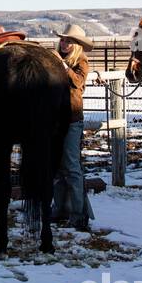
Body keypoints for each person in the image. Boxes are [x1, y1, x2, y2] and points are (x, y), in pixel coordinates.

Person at [53, 23, 95, 231]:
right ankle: (60, 208)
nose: (64, 43)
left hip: (71, 119)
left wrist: (63, 67)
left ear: (76, 45)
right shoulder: (56, 61)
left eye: (68, 40)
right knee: (59, 168)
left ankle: (78, 214)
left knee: (71, 167)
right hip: (56, 119)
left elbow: (78, 82)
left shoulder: (81, 61)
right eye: (62, 39)